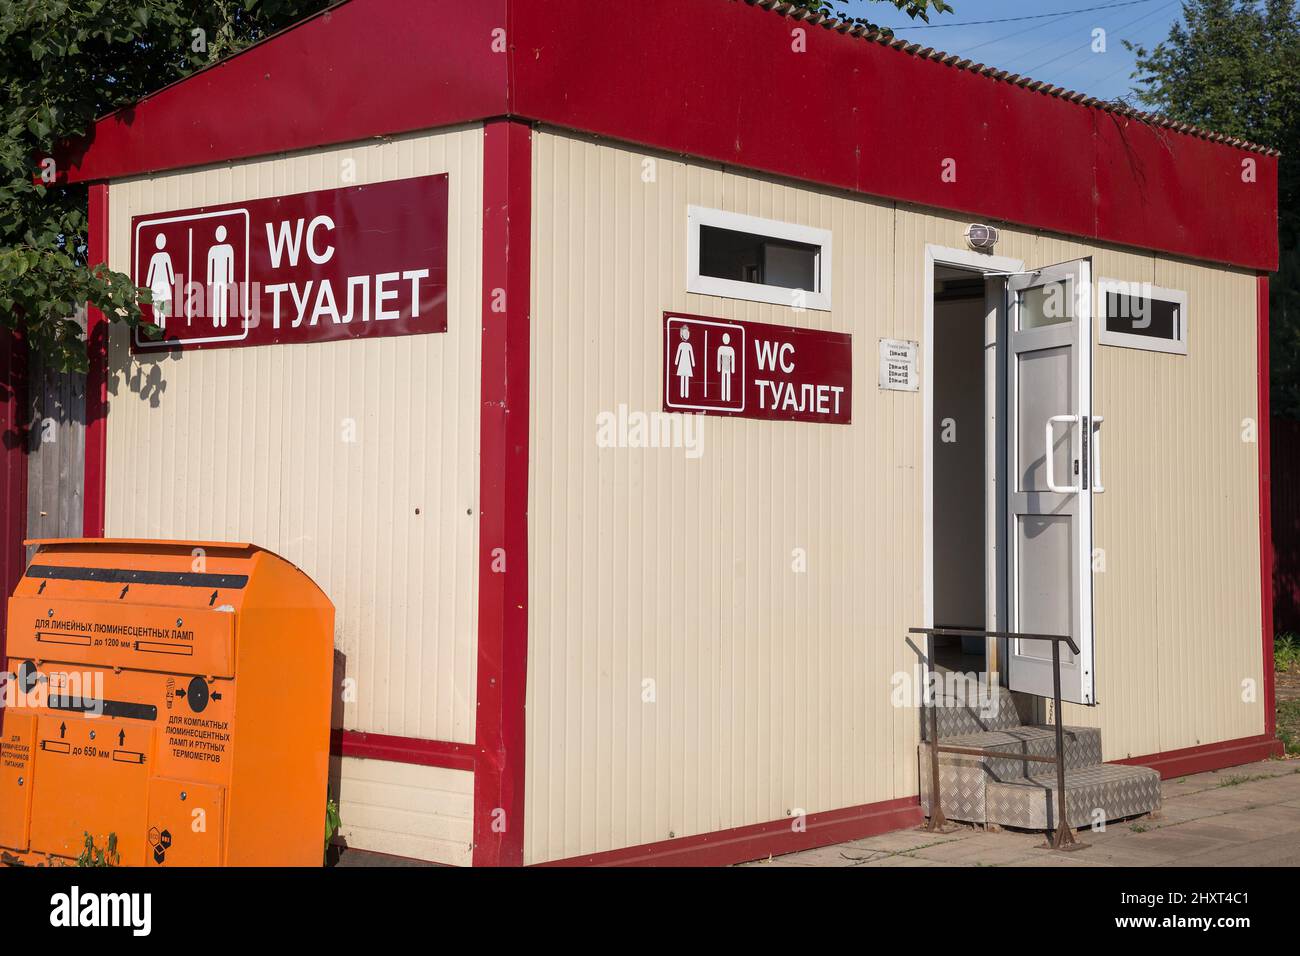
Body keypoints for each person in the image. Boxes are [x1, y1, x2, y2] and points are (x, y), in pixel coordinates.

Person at [207, 224, 236, 328]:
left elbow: (230, 263)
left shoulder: (228, 248)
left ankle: (223, 320)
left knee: (223, 299)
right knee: (216, 300)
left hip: (224, 280)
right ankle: (215, 320)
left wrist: (231, 279)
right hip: (216, 280)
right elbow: (210, 265)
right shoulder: (212, 250)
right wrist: (209, 280)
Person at [144, 234, 175, 330]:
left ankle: (162, 327)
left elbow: (169, 268)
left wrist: (172, 280)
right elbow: (151, 270)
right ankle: (158, 327)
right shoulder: (155, 257)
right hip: (157, 284)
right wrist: (148, 283)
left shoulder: (165, 256)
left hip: (162, 283)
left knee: (164, 304)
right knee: (157, 305)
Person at [674, 326, 696, 399]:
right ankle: (681, 394)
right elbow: (678, 354)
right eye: (684, 333)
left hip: (687, 363)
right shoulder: (681, 345)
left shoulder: (689, 345)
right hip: (682, 363)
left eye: (687, 333)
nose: (686, 335)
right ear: (682, 335)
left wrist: (693, 363)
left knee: (686, 378)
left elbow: (691, 354)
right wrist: (676, 362)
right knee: (682, 377)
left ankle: (686, 394)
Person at [716, 332, 736, 402]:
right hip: (723, 368)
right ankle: (723, 397)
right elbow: (719, 358)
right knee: (723, 381)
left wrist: (733, 369)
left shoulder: (731, 349)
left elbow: (733, 359)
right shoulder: (720, 348)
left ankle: (728, 397)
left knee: (728, 381)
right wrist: (718, 368)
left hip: (728, 368)